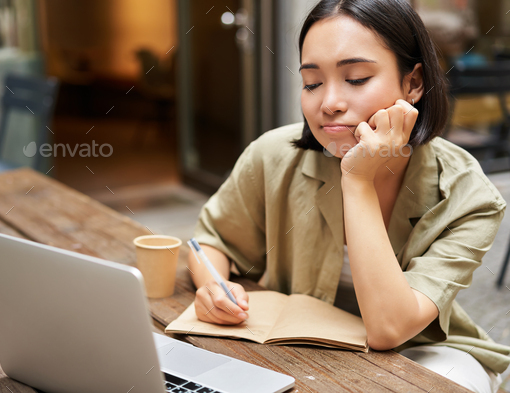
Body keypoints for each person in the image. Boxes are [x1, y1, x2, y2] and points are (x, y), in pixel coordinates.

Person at [187, 1, 510, 392]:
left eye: (356, 79)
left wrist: (357, 181)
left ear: (414, 83)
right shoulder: (272, 156)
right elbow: (211, 241)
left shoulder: (466, 194)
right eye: (312, 82)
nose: (329, 103)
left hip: (420, 351)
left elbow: (389, 329)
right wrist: (212, 285)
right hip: (300, 344)